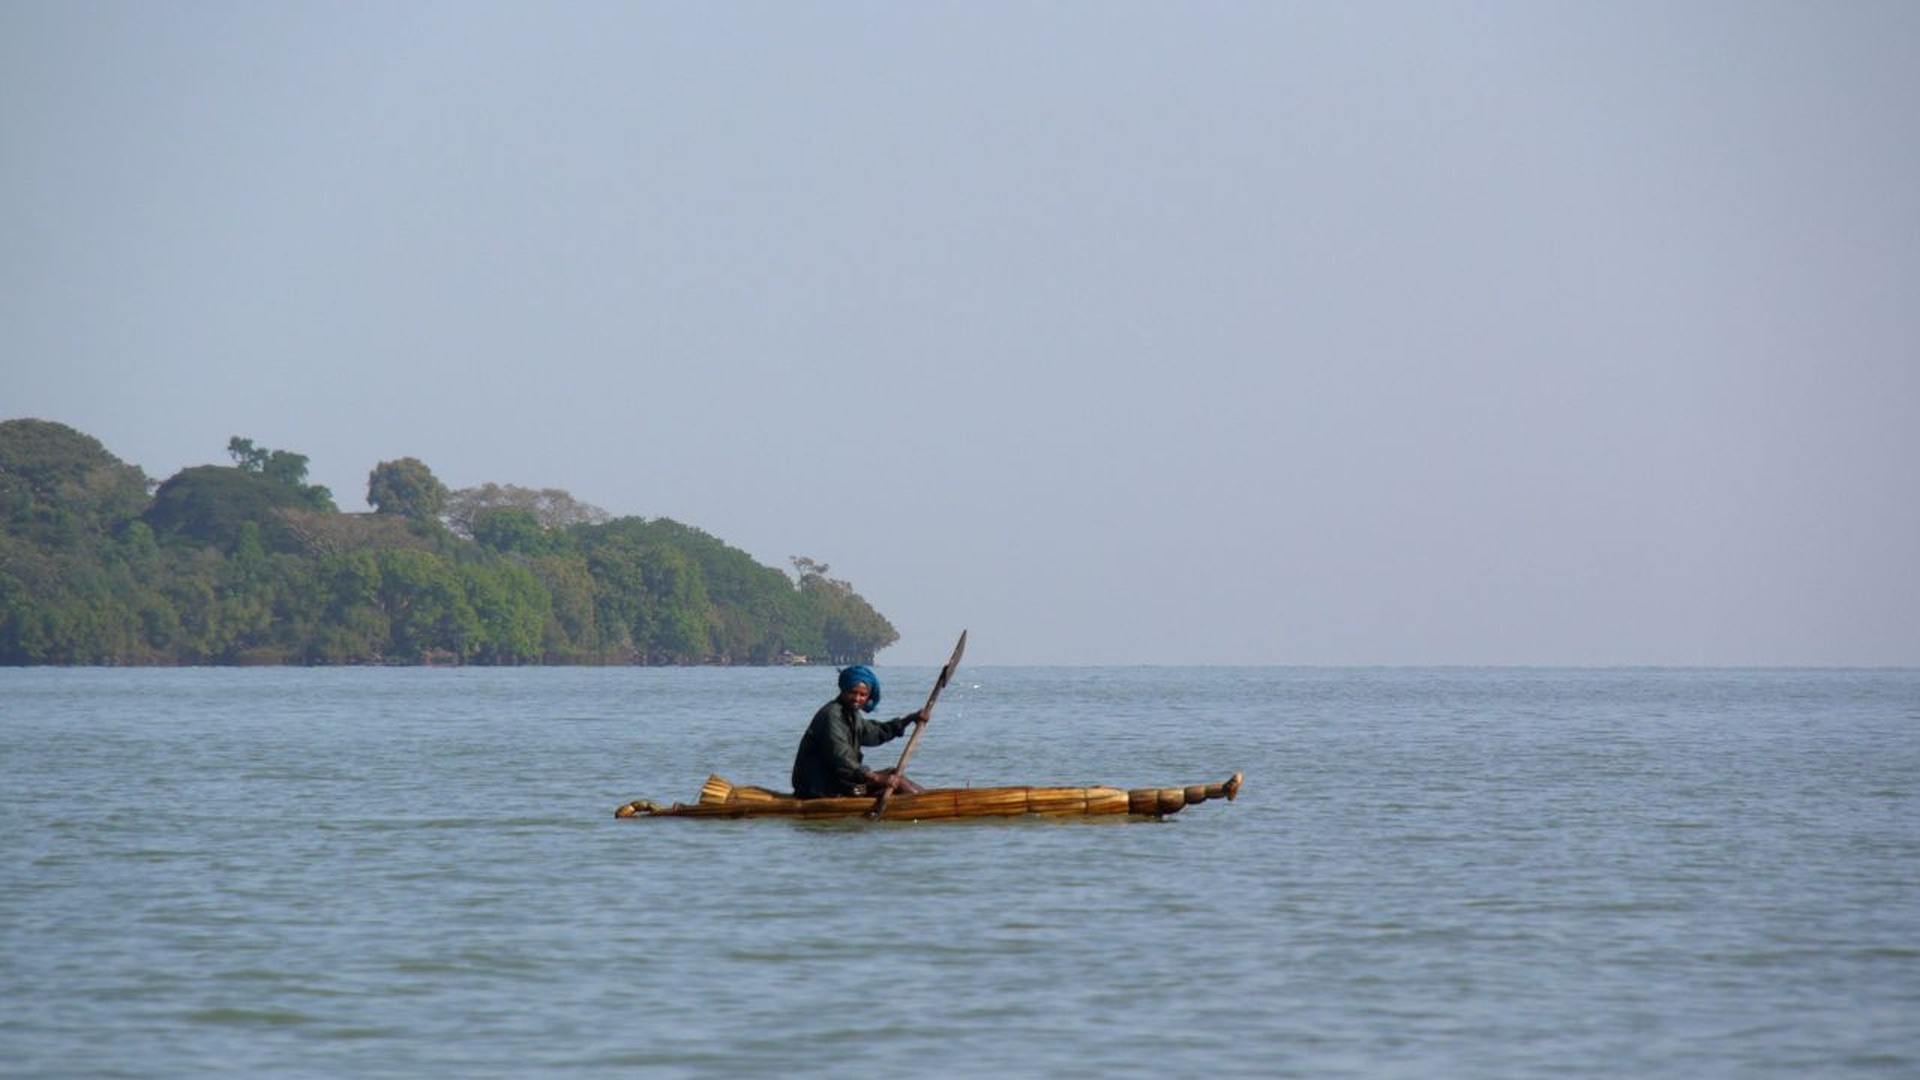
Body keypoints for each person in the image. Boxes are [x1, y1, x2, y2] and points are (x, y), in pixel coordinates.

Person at [790, 664, 927, 799]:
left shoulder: (852, 715)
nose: (857, 699)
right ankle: (925, 803)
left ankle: (929, 798)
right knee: (896, 783)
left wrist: (909, 719)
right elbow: (841, 756)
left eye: (863, 695)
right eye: (852, 692)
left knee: (894, 774)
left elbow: (876, 732)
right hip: (819, 788)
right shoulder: (831, 715)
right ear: (843, 690)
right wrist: (875, 777)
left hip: (840, 782)